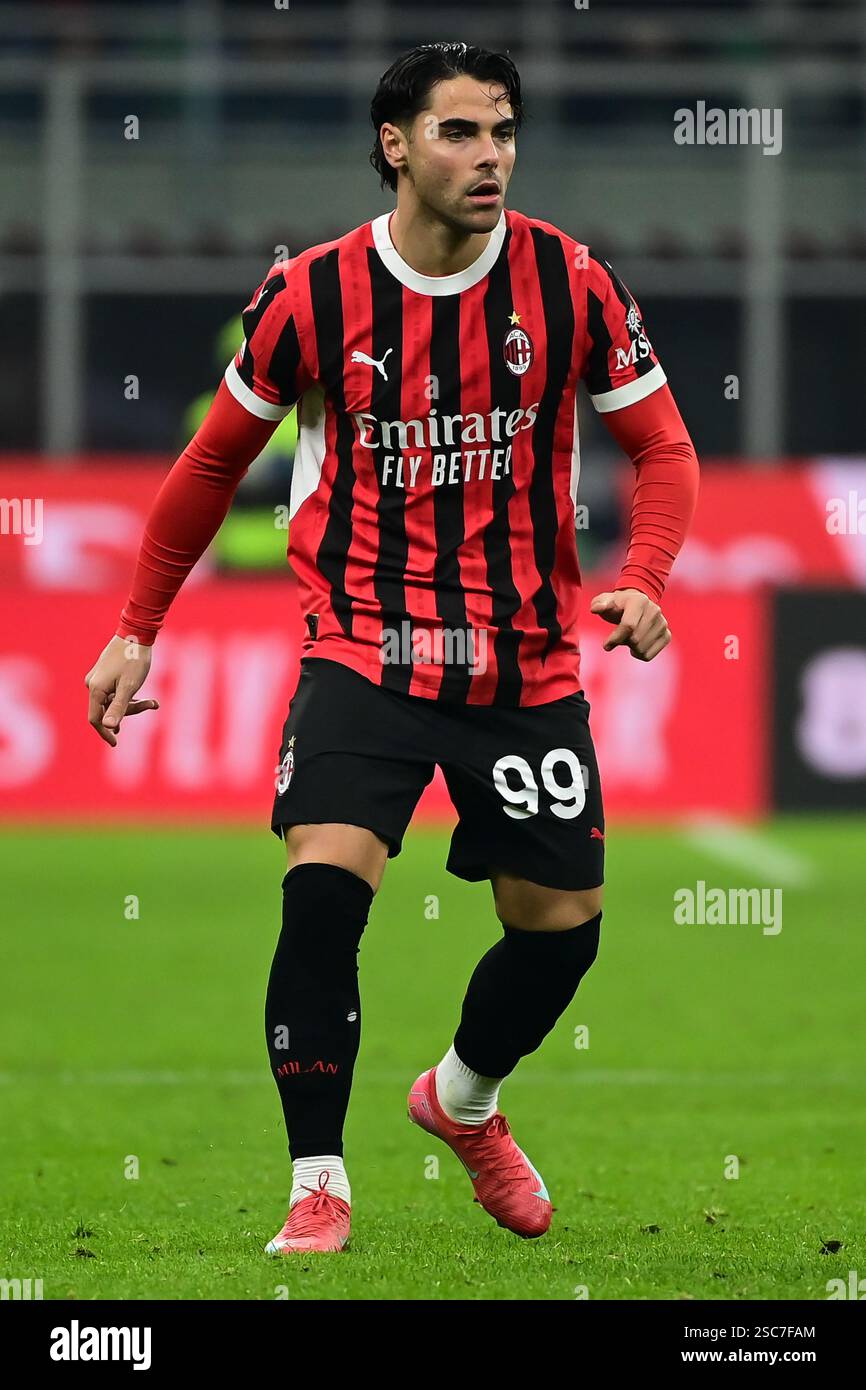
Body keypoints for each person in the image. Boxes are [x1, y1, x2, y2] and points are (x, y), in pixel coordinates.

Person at [85, 42, 699, 1255]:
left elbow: (663, 450)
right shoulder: (309, 296)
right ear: (395, 146)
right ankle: (318, 1178)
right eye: (462, 133)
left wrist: (641, 579)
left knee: (560, 924)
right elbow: (212, 466)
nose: (491, 157)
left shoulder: (569, 282)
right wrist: (134, 628)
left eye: (503, 131)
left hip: (523, 658)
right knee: (322, 888)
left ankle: (461, 1101)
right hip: (362, 643)